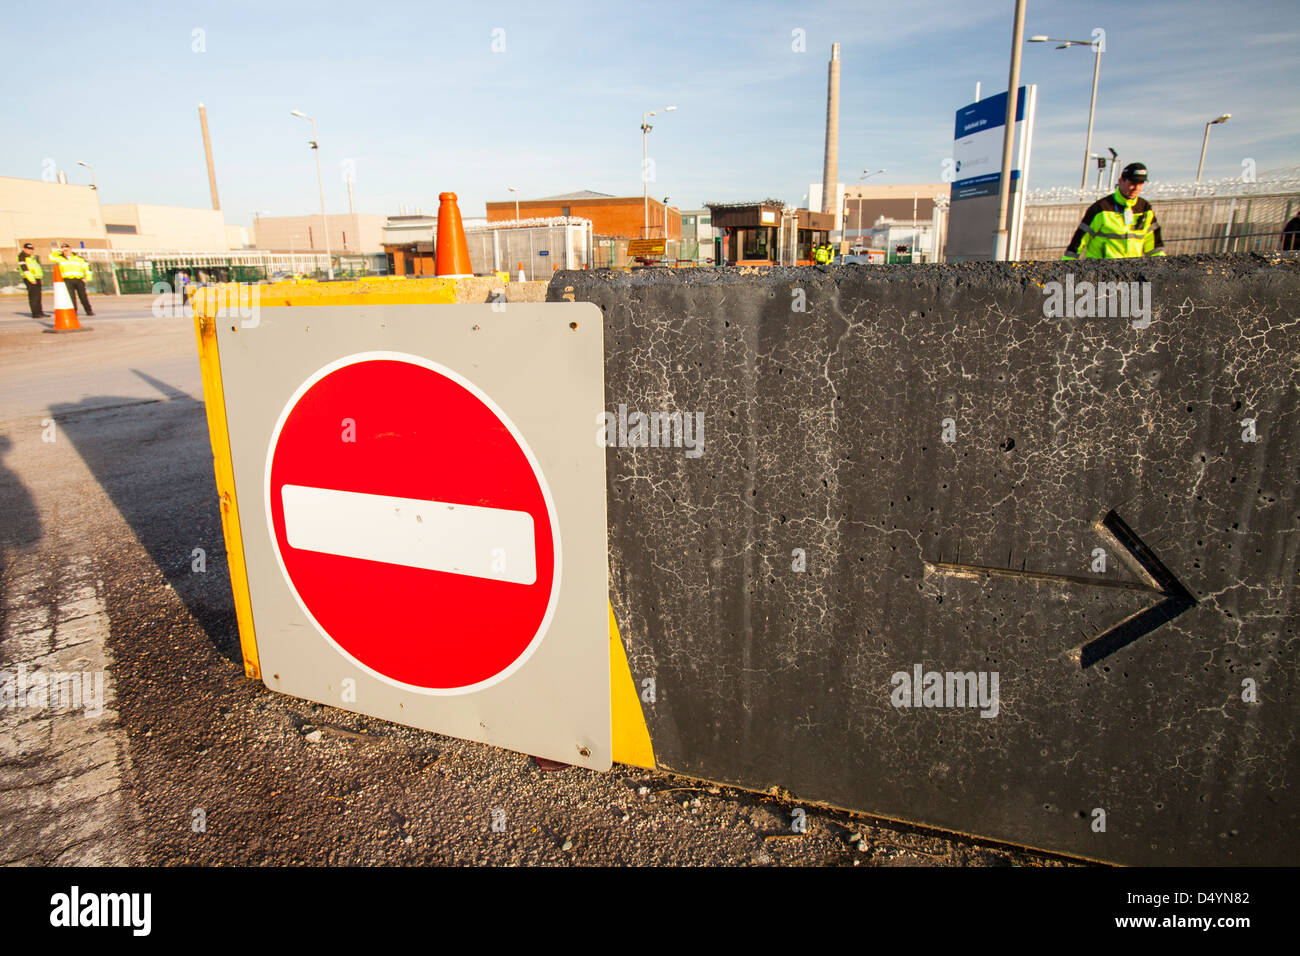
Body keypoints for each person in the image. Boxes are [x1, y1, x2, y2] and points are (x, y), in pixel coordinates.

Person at [1063, 162, 1165, 259]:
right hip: (1101, 273)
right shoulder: (1101, 209)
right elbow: (1077, 244)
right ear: (1121, 181)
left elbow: (1154, 247)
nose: (1136, 188)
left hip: (1131, 273)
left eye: (1140, 183)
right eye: (1132, 183)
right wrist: (1068, 277)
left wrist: (1164, 272)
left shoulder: (1145, 209)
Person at [50, 243, 94, 315]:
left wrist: (87, 278)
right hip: (67, 280)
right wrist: (58, 251)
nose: (66, 251)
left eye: (67, 249)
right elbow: (51, 257)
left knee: (83, 296)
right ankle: (74, 311)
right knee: (71, 297)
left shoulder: (79, 259)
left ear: (70, 249)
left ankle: (88, 310)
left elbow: (88, 268)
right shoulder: (60, 258)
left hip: (79, 279)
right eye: (64, 250)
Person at [17, 242, 46, 317]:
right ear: (24, 249)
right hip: (30, 279)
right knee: (34, 297)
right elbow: (25, 269)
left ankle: (40, 312)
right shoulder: (22, 256)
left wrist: (39, 278)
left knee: (38, 297)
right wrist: (31, 279)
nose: (30, 251)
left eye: (31, 249)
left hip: (36, 278)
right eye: (28, 249)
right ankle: (35, 313)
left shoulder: (31, 257)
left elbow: (36, 268)